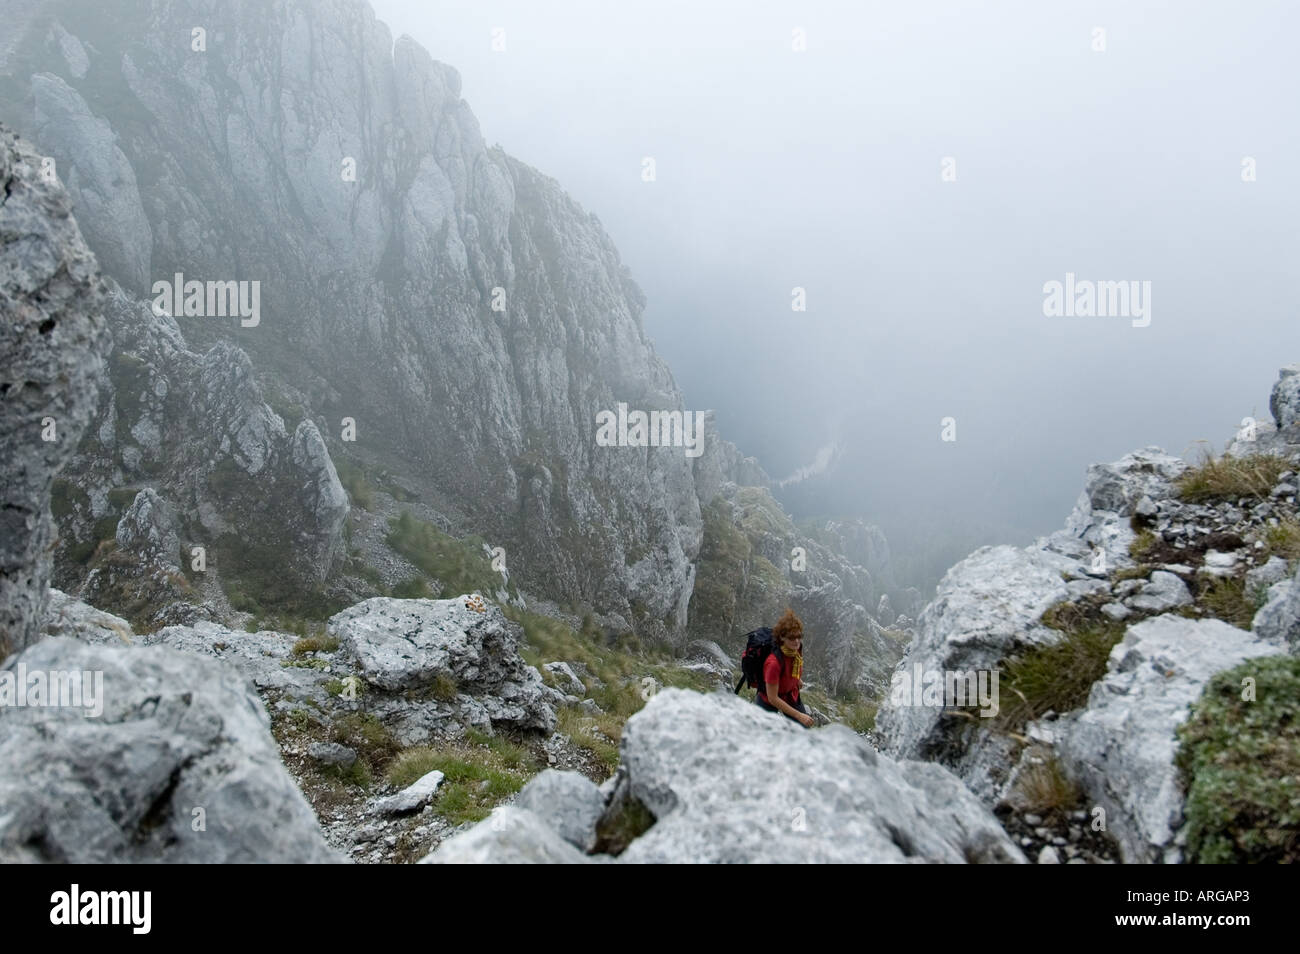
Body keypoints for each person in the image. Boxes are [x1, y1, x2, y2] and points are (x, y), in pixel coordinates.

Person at [756, 608, 814, 728]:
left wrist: (797, 679)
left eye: (799, 636)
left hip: (789, 694)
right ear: (782, 638)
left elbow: (793, 666)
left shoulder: (796, 649)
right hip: (769, 699)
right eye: (792, 638)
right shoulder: (773, 663)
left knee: (802, 730)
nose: (797, 641)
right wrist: (799, 715)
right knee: (762, 735)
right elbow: (773, 698)